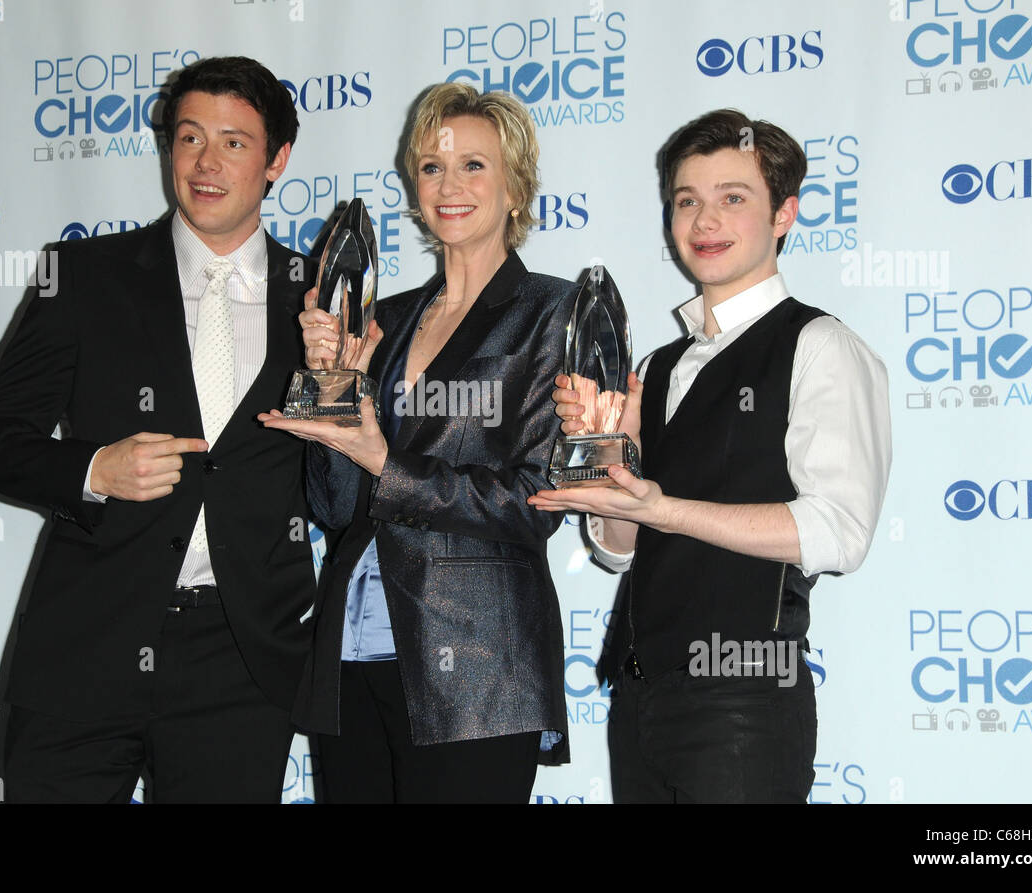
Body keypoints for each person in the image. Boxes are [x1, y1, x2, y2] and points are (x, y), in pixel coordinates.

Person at [0, 56, 317, 802]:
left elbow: (340, 482)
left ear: (278, 160)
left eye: (234, 142)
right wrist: (92, 469)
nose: (206, 162)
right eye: (189, 138)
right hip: (84, 649)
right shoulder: (86, 277)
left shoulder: (319, 303)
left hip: (242, 662)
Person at [529, 109, 892, 803]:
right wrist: (615, 468)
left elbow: (838, 531)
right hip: (641, 701)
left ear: (783, 213)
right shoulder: (660, 367)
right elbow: (622, 551)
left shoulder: (819, 346)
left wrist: (664, 504)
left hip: (744, 706)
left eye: (733, 197)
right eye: (687, 200)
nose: (705, 219)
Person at [259, 83, 574, 803]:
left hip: (477, 663)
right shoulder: (387, 318)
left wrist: (384, 460)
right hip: (352, 650)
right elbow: (336, 506)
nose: (449, 185)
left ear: (515, 186)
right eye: (432, 167)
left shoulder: (551, 313)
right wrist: (330, 384)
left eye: (474, 166)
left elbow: (539, 500)